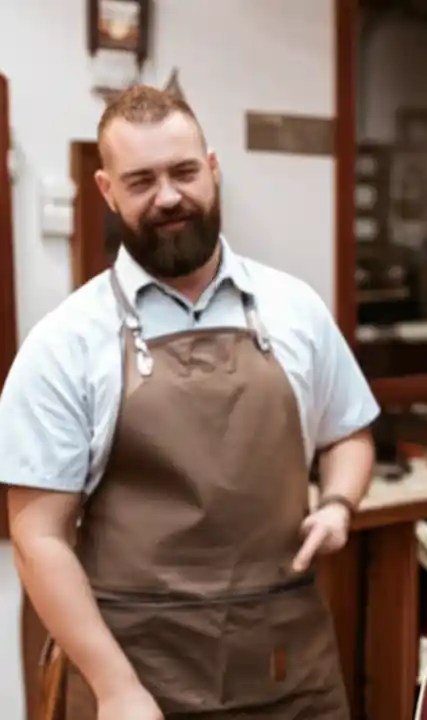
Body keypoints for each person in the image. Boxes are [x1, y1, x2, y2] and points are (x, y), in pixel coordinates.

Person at [0, 85, 379, 719]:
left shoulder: (294, 309)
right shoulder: (66, 342)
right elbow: (38, 536)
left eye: (182, 172)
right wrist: (117, 688)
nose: (169, 196)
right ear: (106, 191)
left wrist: (339, 502)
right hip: (138, 674)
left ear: (212, 167)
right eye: (141, 180)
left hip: (290, 669)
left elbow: (349, 433)